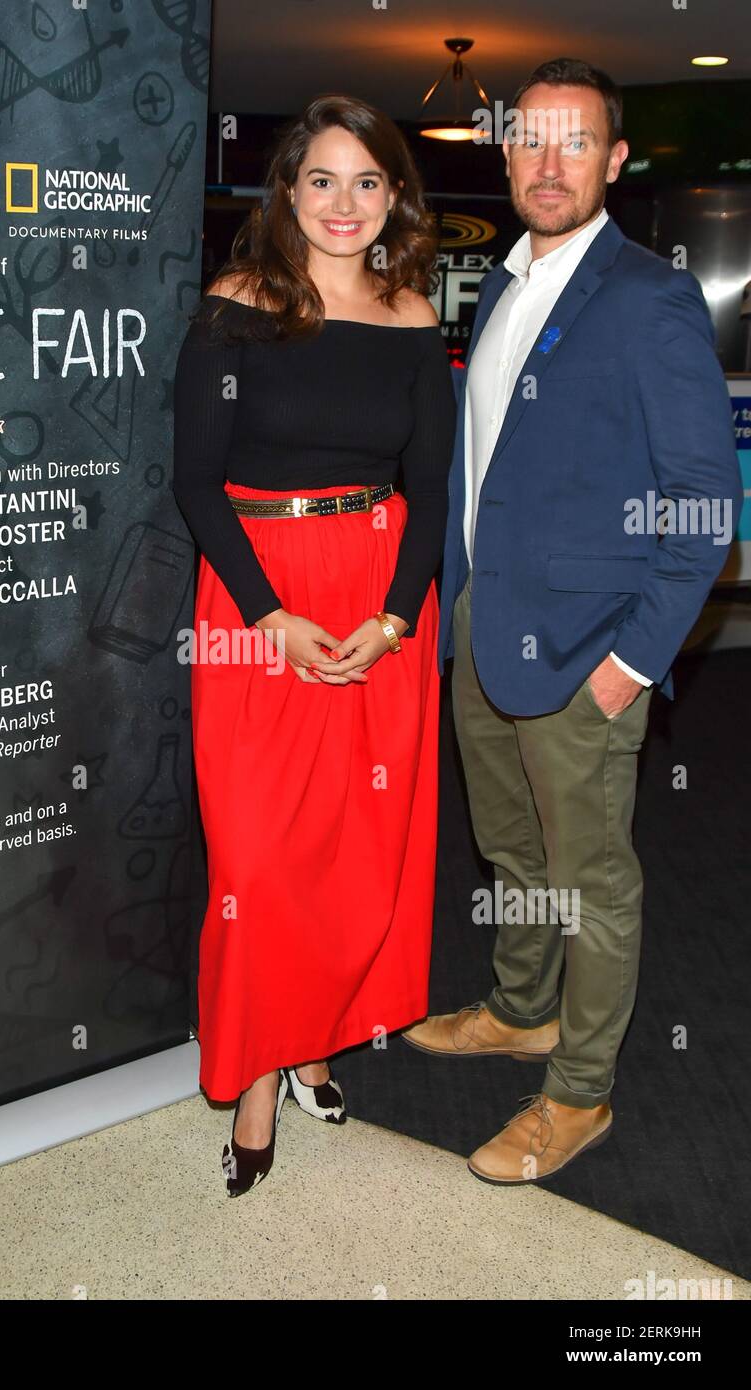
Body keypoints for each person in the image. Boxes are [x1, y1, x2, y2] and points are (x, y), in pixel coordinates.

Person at [403, 58, 743, 1183]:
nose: (548, 164)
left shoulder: (648, 296)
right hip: (482, 632)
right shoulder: (500, 283)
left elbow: (701, 510)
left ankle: (579, 1092)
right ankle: (518, 1007)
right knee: (507, 849)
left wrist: (630, 662)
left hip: (586, 653)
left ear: (611, 160)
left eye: (573, 143)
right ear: (504, 156)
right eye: (529, 142)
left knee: (591, 880)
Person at [172, 93, 455, 1196]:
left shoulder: (407, 315)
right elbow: (193, 480)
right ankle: (251, 1072)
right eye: (322, 180)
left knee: (352, 849)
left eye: (367, 182)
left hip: (379, 601)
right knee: (255, 855)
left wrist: (391, 617)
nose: (344, 203)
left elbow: (427, 492)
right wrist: (267, 614)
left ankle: (316, 1040)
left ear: (394, 198)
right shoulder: (236, 306)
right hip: (254, 602)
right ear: (286, 191)